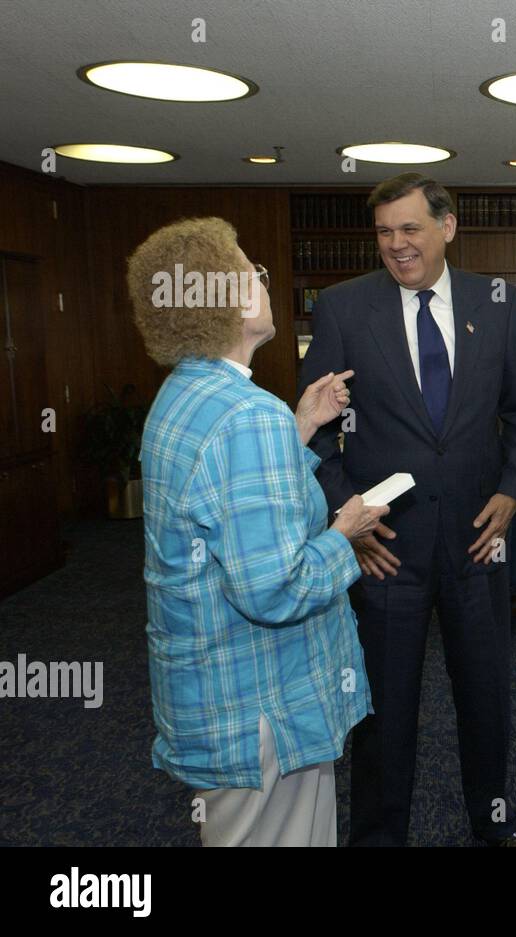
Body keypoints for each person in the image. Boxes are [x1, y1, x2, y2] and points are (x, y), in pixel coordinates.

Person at [300, 173, 516, 846]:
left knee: (487, 700)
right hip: (386, 551)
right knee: (385, 709)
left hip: (477, 544)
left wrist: (514, 488)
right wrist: (349, 514)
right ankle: (380, 836)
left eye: (410, 228)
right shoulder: (344, 309)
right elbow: (315, 432)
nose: (397, 245)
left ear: (447, 227)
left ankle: (493, 826)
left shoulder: (498, 303)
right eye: (385, 232)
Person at [129, 217, 387, 846]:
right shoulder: (249, 414)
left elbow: (235, 507)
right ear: (227, 298)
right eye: (254, 271)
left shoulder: (188, 395)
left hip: (217, 694)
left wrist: (298, 428)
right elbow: (275, 589)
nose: (264, 281)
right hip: (263, 704)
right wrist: (345, 532)